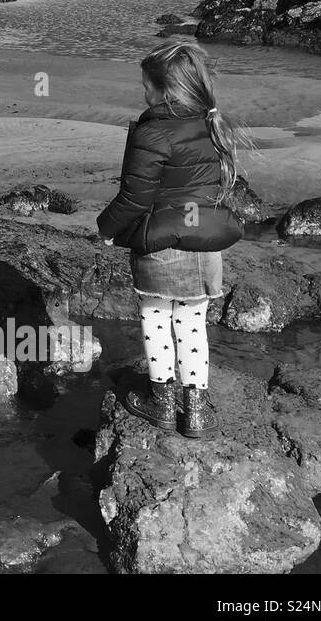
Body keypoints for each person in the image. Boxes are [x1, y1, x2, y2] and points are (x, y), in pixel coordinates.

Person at [96, 41, 245, 438]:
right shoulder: (212, 126)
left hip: (162, 247)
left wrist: (106, 229)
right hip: (205, 248)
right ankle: (194, 412)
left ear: (164, 90)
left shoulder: (155, 132)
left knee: (156, 317)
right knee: (193, 322)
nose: (143, 94)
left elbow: (134, 196)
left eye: (146, 86)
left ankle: (162, 403)